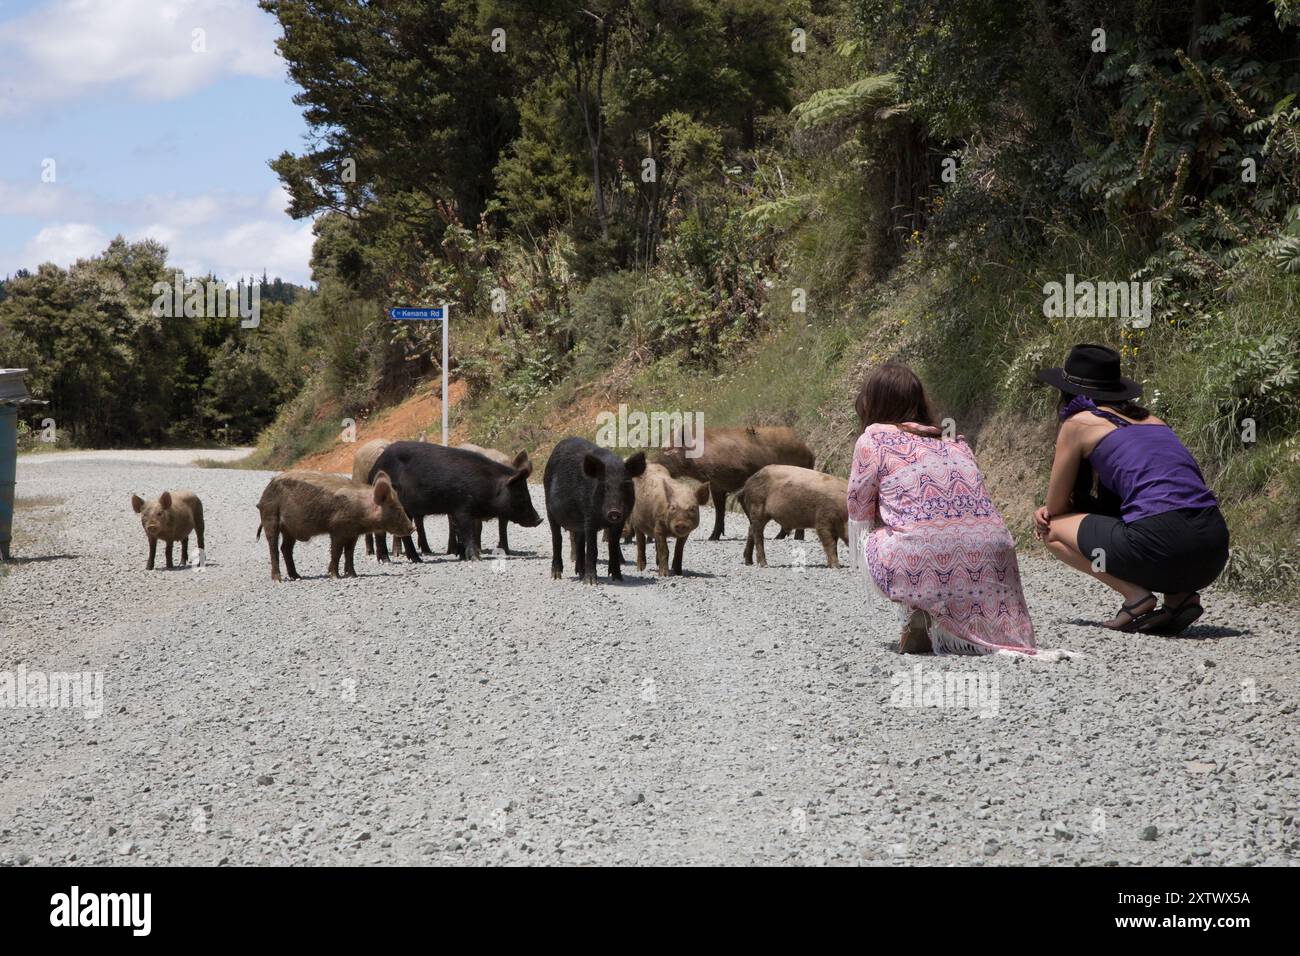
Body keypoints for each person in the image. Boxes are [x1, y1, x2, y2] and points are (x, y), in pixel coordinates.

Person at [1035, 343, 1228, 634]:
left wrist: (1045, 511)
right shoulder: (1155, 422)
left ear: (1067, 391)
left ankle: (1136, 597)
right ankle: (1180, 595)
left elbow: (1057, 509)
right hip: (1213, 547)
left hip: (1164, 545)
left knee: (1050, 529)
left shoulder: (1079, 423)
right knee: (1148, 521)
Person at [847, 363, 1037, 655]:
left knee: (874, 535)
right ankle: (955, 622)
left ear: (871, 402)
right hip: (995, 553)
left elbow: (858, 510)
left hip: (922, 554)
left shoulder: (873, 438)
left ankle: (919, 606)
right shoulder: (954, 442)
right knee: (941, 531)